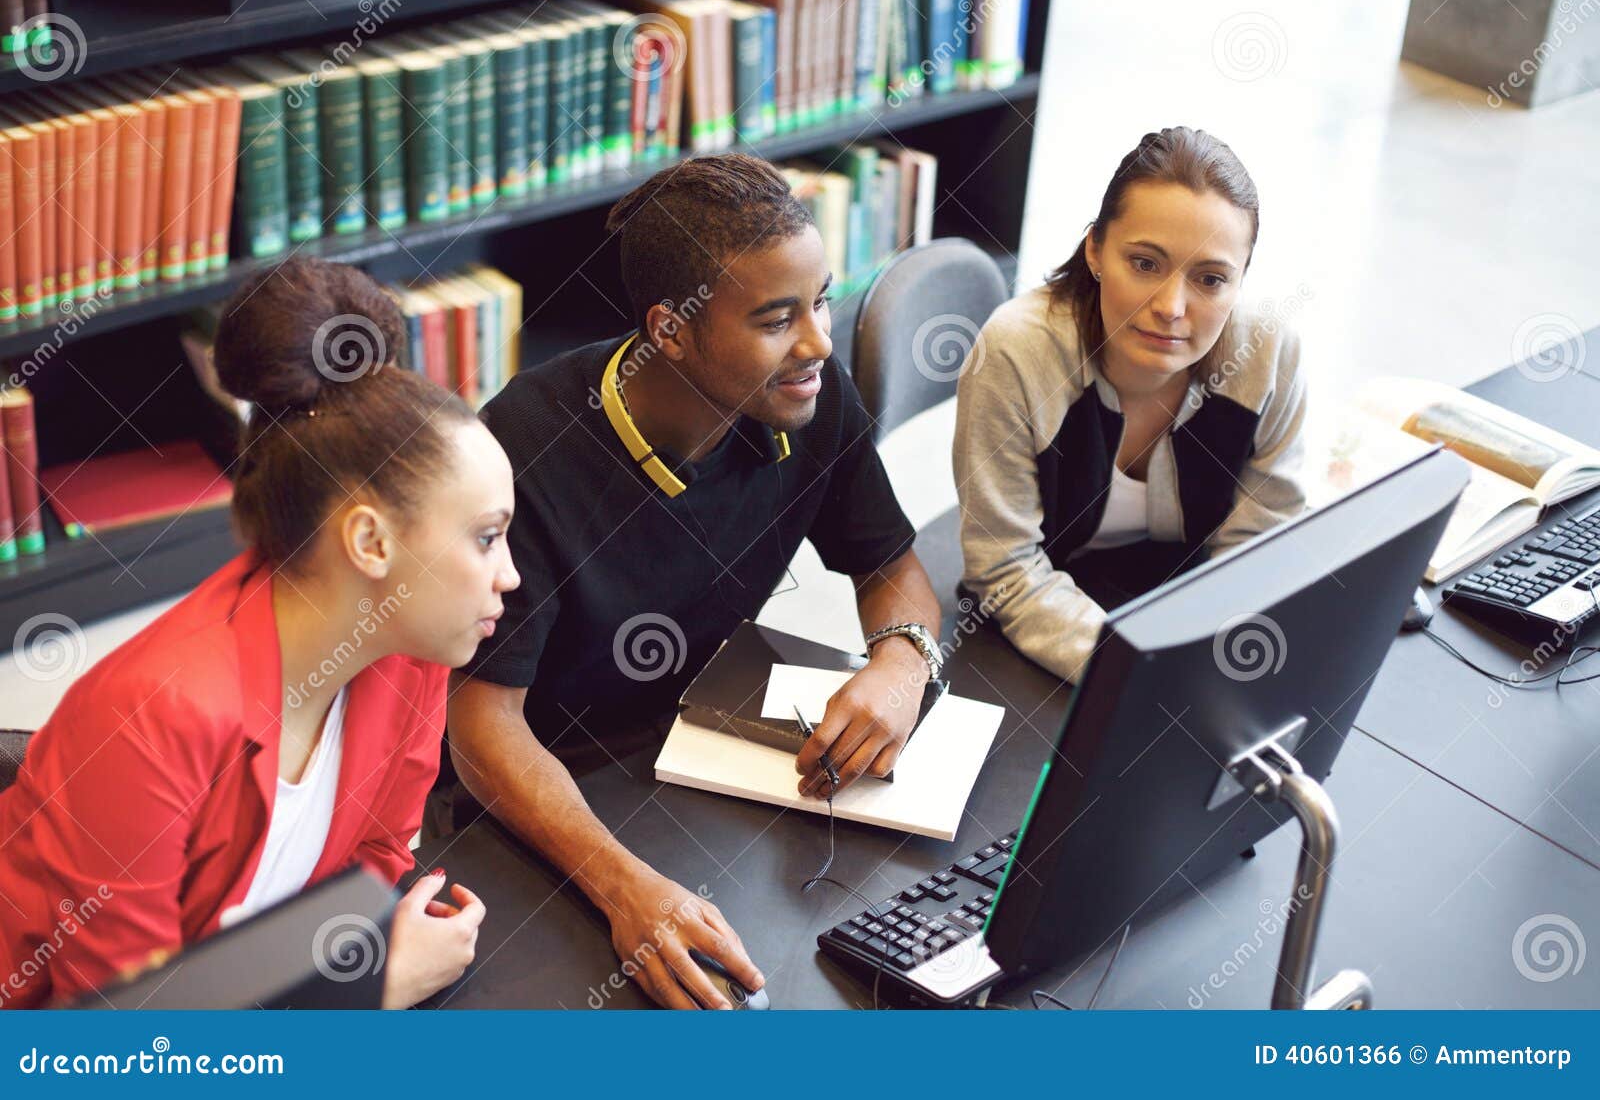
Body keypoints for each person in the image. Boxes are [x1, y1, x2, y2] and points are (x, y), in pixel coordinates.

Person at [446, 153, 943, 1010]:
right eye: (777, 317)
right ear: (670, 330)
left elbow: (891, 565)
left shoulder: (810, 395)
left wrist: (902, 662)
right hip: (544, 799)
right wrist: (621, 887)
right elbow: (480, 727)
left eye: (821, 301)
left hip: (699, 760)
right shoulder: (526, 446)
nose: (820, 341)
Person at [0, 258, 520, 1009]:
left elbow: (371, 860)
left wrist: (330, 968)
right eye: (485, 537)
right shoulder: (152, 718)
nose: (508, 575)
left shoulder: (406, 649)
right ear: (370, 543)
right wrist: (367, 985)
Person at [955, 126, 1308, 684]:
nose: (1171, 307)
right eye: (1145, 263)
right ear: (1095, 250)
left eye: (1210, 278)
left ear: (1241, 281)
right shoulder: (1017, 351)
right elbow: (1006, 570)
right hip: (1043, 618)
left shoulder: (1268, 350)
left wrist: (1207, 658)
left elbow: (1260, 546)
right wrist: (1131, 676)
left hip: (1185, 606)